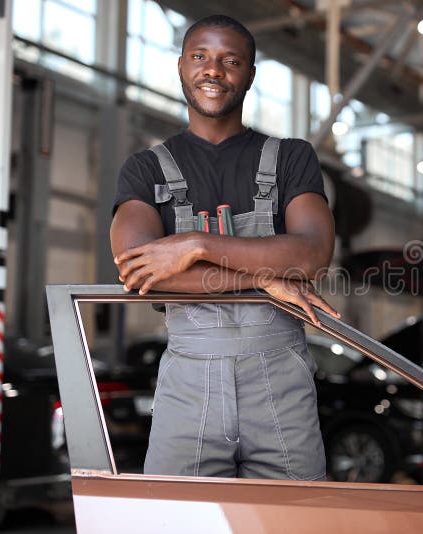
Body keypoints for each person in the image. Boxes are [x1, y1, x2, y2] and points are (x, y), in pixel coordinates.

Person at [110, 14, 339, 481]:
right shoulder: (145, 169)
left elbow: (312, 254)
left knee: (295, 520)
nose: (213, 70)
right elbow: (139, 273)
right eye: (200, 57)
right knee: (177, 519)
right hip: (187, 385)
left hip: (281, 383)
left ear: (250, 75)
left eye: (230, 61)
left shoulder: (292, 157)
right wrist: (262, 278)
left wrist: (193, 245)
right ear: (181, 66)